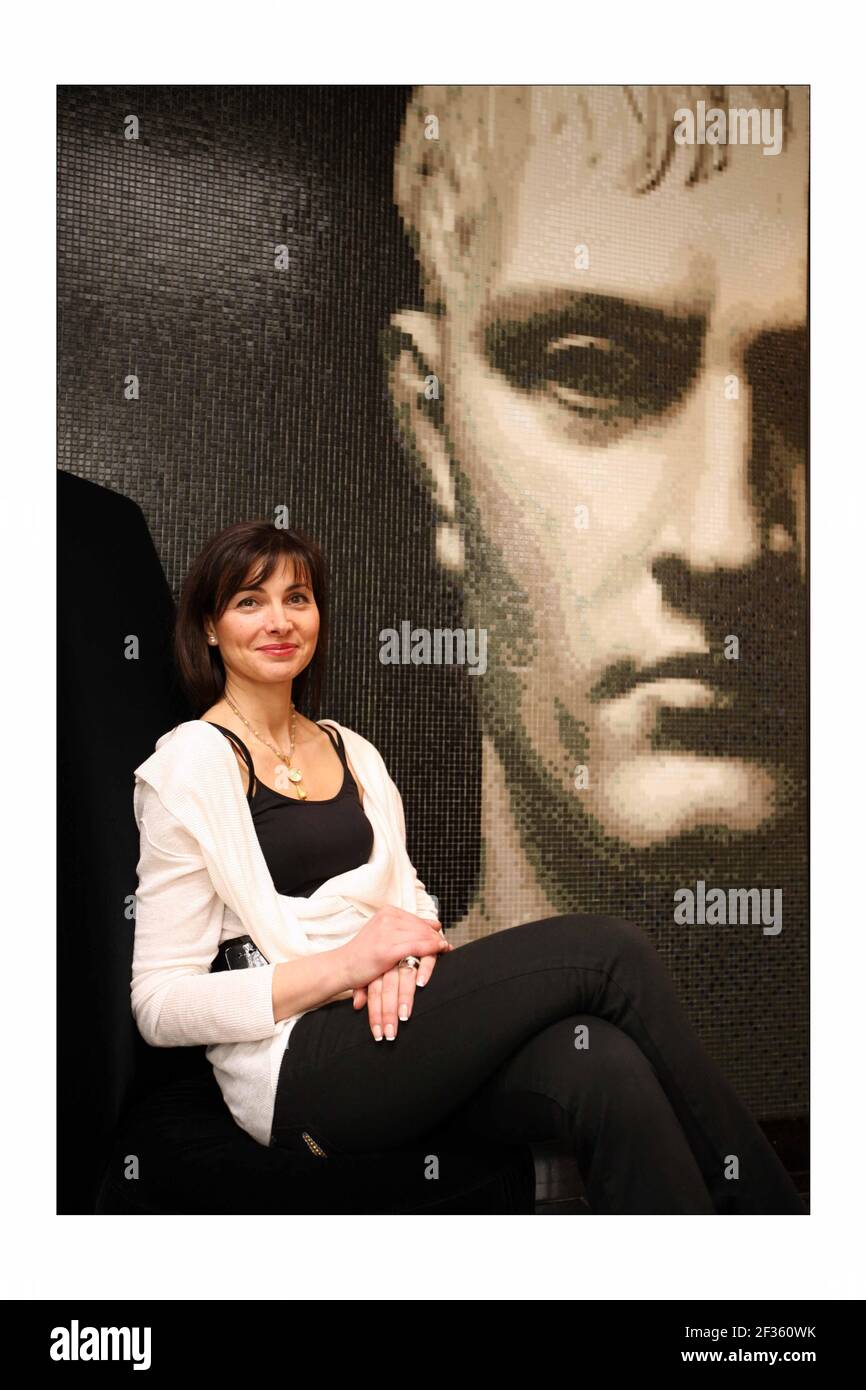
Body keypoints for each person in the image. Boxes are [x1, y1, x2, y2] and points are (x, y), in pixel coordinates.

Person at [131, 519, 804, 1213]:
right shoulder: (189, 763)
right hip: (300, 1071)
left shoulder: (351, 750)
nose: (279, 620)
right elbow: (158, 1004)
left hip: (399, 1029)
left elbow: (410, 899)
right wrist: (349, 965)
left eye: (297, 599)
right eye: (250, 601)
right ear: (210, 627)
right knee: (608, 953)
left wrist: (399, 957)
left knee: (601, 1064)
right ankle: (778, 1235)